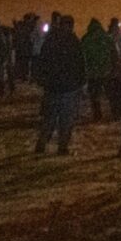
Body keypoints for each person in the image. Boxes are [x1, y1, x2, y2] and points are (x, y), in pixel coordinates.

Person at [33, 14, 85, 154]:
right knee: (65, 120)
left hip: (53, 86)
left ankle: (42, 144)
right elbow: (80, 64)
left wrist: (42, 79)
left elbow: (42, 61)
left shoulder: (51, 40)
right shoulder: (73, 41)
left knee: (49, 118)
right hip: (68, 87)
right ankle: (62, 146)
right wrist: (81, 81)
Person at [80, 19, 115, 122]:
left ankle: (97, 114)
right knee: (110, 93)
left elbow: (82, 56)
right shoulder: (107, 38)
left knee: (94, 95)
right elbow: (114, 53)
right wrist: (114, 66)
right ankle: (115, 111)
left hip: (92, 73)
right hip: (106, 71)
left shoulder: (86, 39)